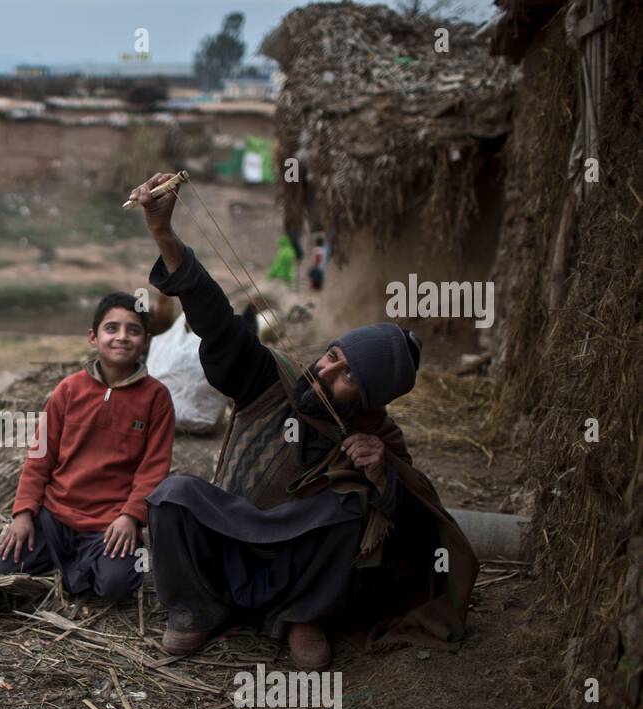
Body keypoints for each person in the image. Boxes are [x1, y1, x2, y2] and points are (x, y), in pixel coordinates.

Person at [129, 172, 477, 669]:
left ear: (369, 400)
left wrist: (384, 477)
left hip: (299, 571)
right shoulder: (271, 378)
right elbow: (217, 322)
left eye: (347, 375)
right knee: (172, 496)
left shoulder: (379, 438)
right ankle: (198, 608)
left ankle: (301, 615)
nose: (326, 369)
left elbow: (417, 533)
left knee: (354, 509)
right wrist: (164, 232)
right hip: (228, 543)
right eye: (333, 355)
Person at [0, 292, 176, 601]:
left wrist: (130, 517)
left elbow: (153, 469)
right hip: (54, 515)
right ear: (93, 337)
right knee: (1, 569)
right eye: (112, 328)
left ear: (145, 340)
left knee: (116, 586)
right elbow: (39, 455)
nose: (122, 337)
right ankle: (71, 563)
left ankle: (84, 563)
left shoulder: (156, 398)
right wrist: (23, 513)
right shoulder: (68, 390)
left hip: (109, 523)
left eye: (133, 330)